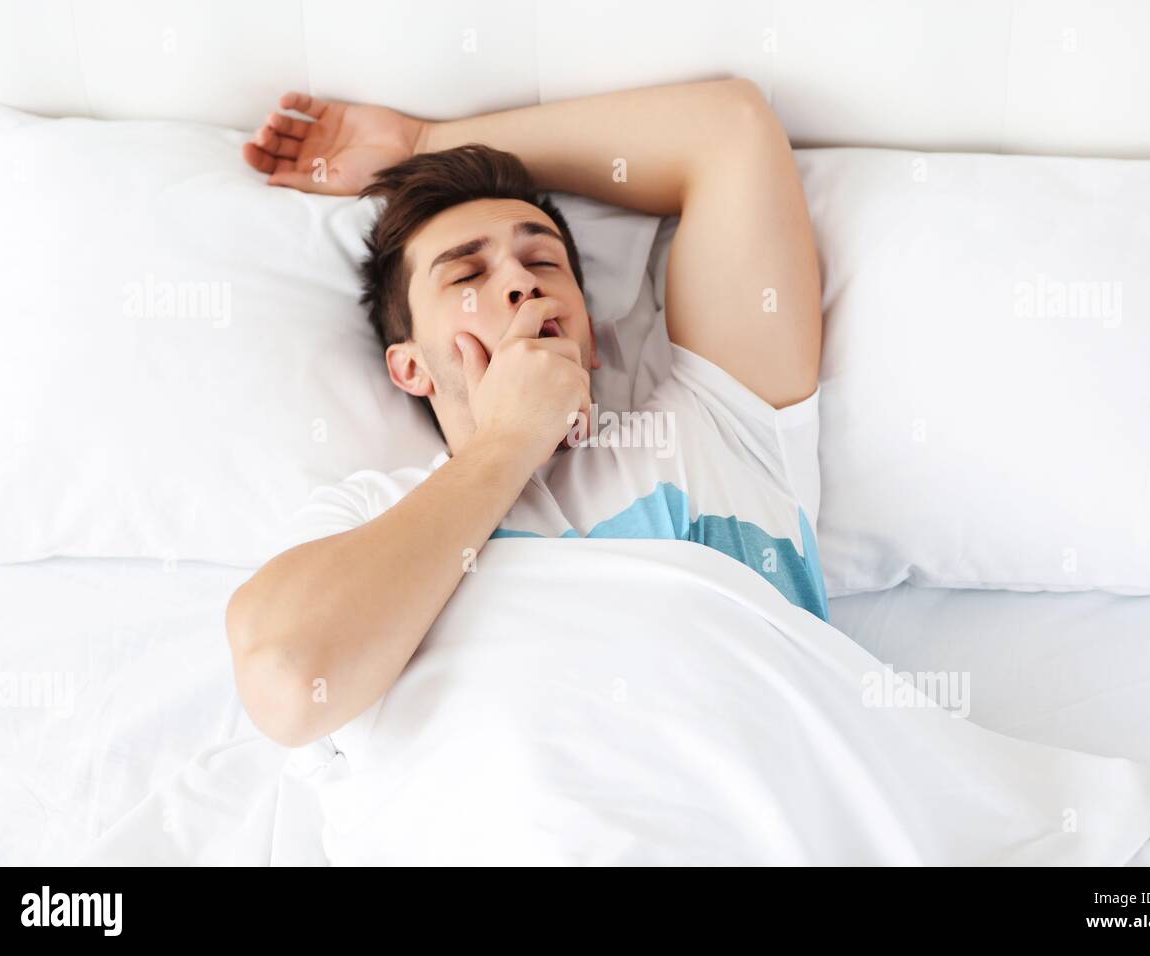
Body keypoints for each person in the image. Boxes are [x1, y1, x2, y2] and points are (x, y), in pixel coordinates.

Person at [226, 78, 825, 747]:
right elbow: (288, 676)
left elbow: (730, 131)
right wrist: (509, 440)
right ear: (410, 367)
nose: (520, 281)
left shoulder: (716, 427)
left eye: (542, 259)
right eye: (465, 276)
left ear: (589, 335)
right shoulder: (365, 520)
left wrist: (424, 143)